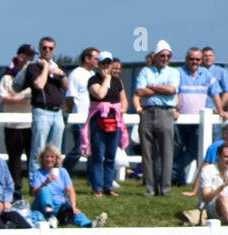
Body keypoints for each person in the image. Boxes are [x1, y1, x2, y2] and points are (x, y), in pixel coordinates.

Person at [135, 40, 180, 196]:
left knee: (167, 152)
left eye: (168, 55)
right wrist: (161, 90)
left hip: (165, 113)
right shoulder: (145, 72)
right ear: (155, 56)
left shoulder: (174, 73)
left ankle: (165, 188)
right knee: (147, 153)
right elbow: (140, 92)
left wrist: (152, 87)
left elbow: (171, 90)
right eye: (162, 55)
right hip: (147, 112)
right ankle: (150, 188)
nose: (165, 58)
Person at [82, 51, 128, 197]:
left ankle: (108, 186)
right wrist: (106, 79)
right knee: (98, 155)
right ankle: (97, 187)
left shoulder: (118, 81)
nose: (106, 66)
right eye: (103, 64)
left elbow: (123, 99)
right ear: (99, 65)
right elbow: (100, 94)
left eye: (108, 63)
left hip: (113, 120)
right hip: (98, 121)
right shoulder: (93, 80)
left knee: (110, 155)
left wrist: (123, 110)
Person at [28, 146, 106, 227]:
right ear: (42, 159)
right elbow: (34, 192)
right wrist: (46, 182)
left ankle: (89, 224)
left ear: (56, 159)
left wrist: (73, 205)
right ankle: (50, 215)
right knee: (44, 190)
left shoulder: (62, 171)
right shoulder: (38, 173)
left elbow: (70, 190)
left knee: (75, 212)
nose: (49, 159)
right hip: (42, 205)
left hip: (59, 204)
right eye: (46, 157)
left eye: (52, 157)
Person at [173, 47, 217, 186]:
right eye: (192, 59)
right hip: (179, 119)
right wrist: (173, 108)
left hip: (198, 121)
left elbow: (215, 93)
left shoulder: (206, 75)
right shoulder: (178, 73)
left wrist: (220, 109)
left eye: (197, 59)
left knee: (194, 150)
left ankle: (174, 171)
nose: (194, 62)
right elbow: (173, 92)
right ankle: (178, 179)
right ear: (186, 59)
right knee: (176, 149)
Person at [0, 44, 35, 198]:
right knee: (14, 157)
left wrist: (17, 97)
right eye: (28, 55)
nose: (31, 59)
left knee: (33, 155)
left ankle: (33, 184)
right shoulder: (7, 77)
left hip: (29, 123)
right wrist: (20, 98)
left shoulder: (32, 76)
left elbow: (34, 95)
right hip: (12, 123)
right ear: (20, 56)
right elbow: (2, 98)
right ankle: (15, 186)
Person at [24, 37, 69, 160]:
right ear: (40, 49)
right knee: (38, 150)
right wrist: (45, 68)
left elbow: (66, 87)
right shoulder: (33, 67)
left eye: (50, 48)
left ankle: (53, 177)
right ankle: (36, 178)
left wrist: (62, 74)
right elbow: (39, 85)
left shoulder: (56, 67)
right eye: (44, 48)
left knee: (55, 152)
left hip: (57, 112)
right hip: (41, 112)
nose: (47, 50)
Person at [66, 47, 99, 179]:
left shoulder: (93, 75)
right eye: (96, 58)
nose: (98, 61)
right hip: (79, 118)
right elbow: (70, 97)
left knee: (93, 150)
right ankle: (63, 172)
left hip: (92, 118)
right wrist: (71, 114)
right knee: (79, 149)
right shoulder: (76, 74)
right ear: (87, 59)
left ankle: (92, 180)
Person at [201, 47, 228, 118]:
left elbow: (227, 92)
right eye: (205, 56)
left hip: (214, 111)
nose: (208, 58)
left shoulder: (222, 72)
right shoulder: (197, 71)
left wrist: (219, 108)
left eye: (210, 56)